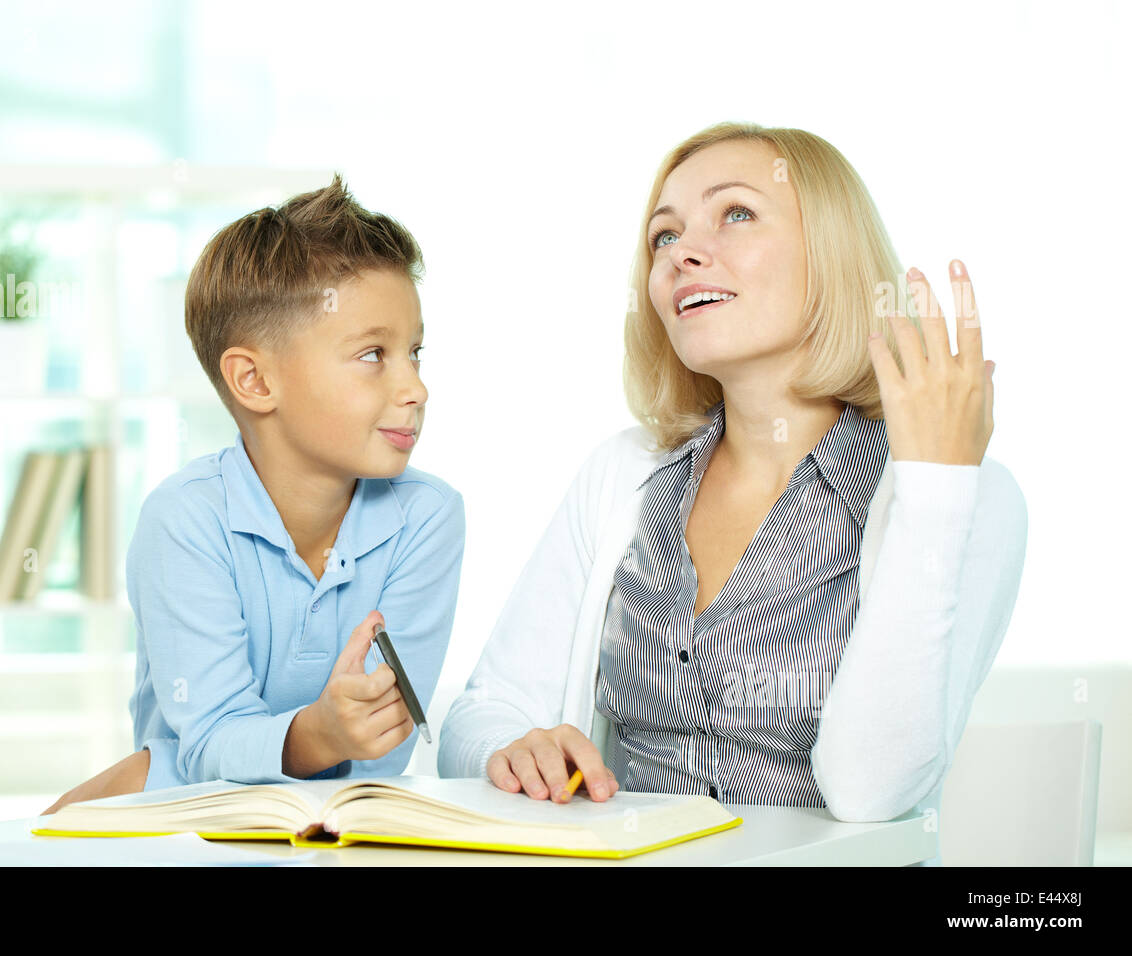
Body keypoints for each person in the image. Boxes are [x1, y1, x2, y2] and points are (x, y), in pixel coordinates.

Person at [438, 121, 1027, 866]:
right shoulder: (622, 475)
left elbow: (872, 789)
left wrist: (936, 489)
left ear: (834, 253)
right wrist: (513, 750)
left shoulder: (969, 499)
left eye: (737, 213)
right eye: (663, 236)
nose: (681, 253)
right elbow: (481, 714)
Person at [42, 176, 464, 813]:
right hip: (187, 819)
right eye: (373, 354)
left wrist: (335, 739)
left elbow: (384, 749)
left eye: (415, 353)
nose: (415, 388)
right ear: (254, 380)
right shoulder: (184, 520)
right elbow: (207, 747)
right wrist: (317, 734)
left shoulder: (428, 518)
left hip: (343, 819)